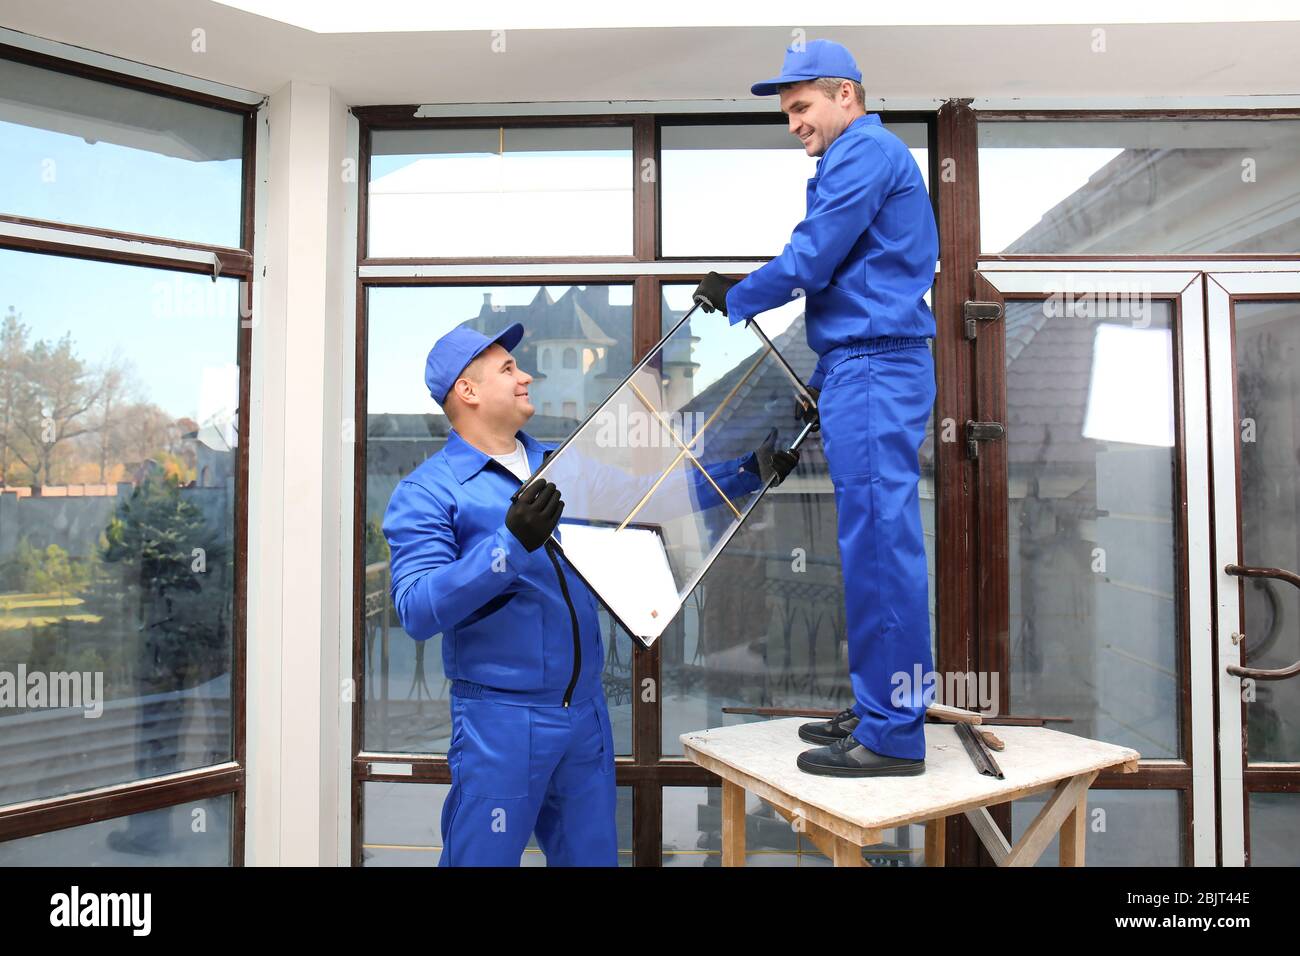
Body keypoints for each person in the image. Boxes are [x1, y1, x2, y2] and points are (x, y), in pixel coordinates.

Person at [382, 321, 798, 865]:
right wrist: (507, 546)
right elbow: (416, 608)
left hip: (584, 715)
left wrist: (744, 474)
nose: (526, 376)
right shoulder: (426, 492)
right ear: (468, 391)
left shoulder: (562, 464)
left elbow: (644, 499)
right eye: (509, 368)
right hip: (501, 723)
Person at [693, 38, 938, 777]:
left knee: (880, 550)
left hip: (875, 365)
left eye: (802, 107)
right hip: (860, 366)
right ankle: (880, 707)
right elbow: (840, 268)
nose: (794, 123)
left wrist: (738, 295)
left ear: (847, 96)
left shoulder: (863, 152)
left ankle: (894, 733)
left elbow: (812, 256)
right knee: (872, 546)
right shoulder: (856, 156)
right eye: (788, 113)